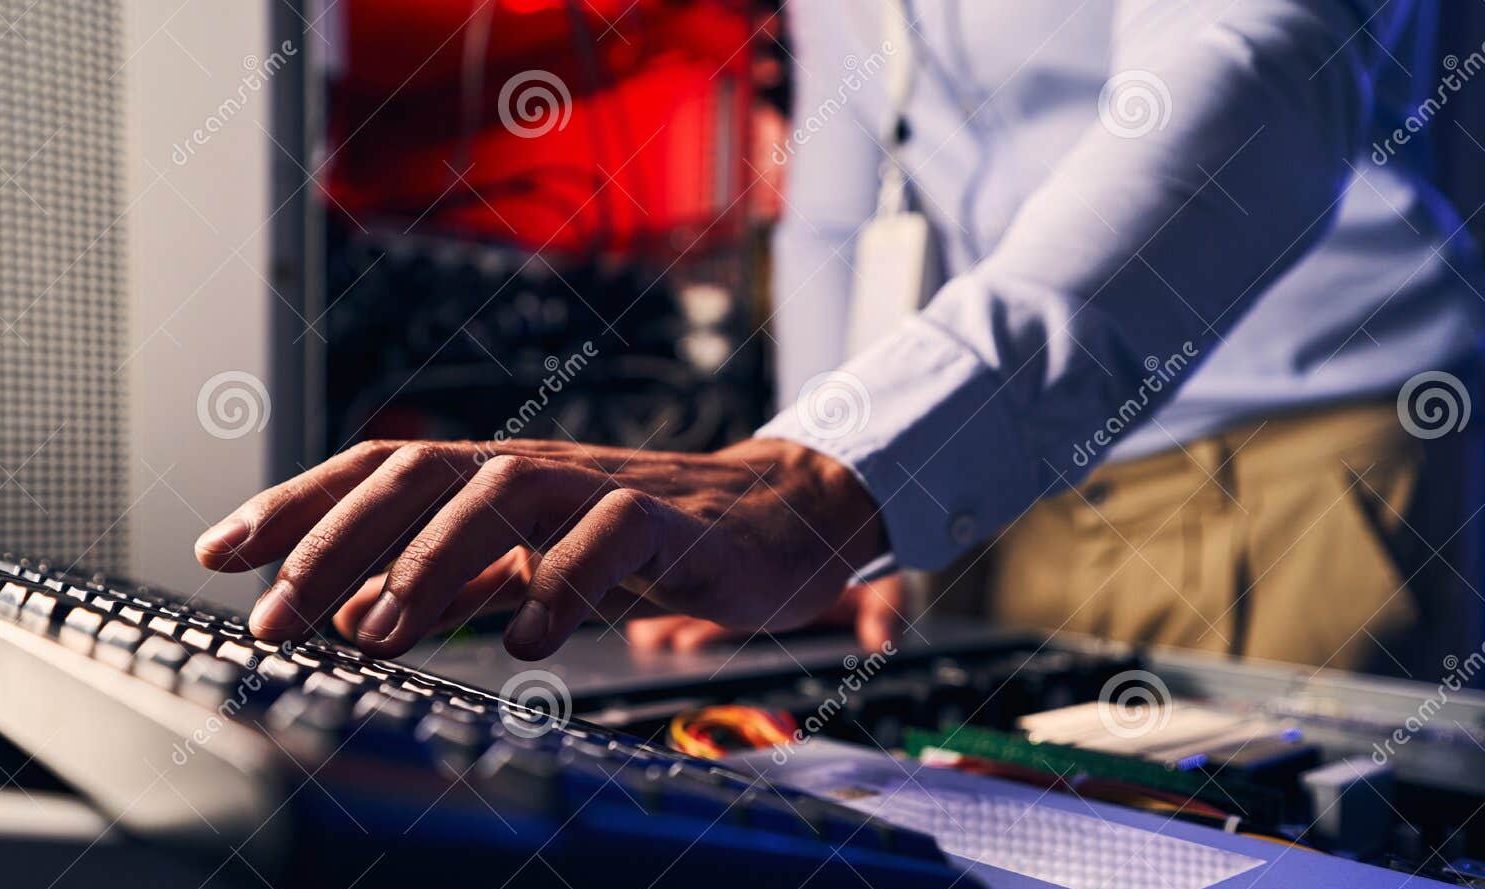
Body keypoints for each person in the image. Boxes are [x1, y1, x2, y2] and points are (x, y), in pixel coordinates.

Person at [198, 0, 1485, 675]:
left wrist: (824, 479)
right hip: (987, 473)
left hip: (1280, 446)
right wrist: (812, 486)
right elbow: (837, 185)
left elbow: (1257, 65)